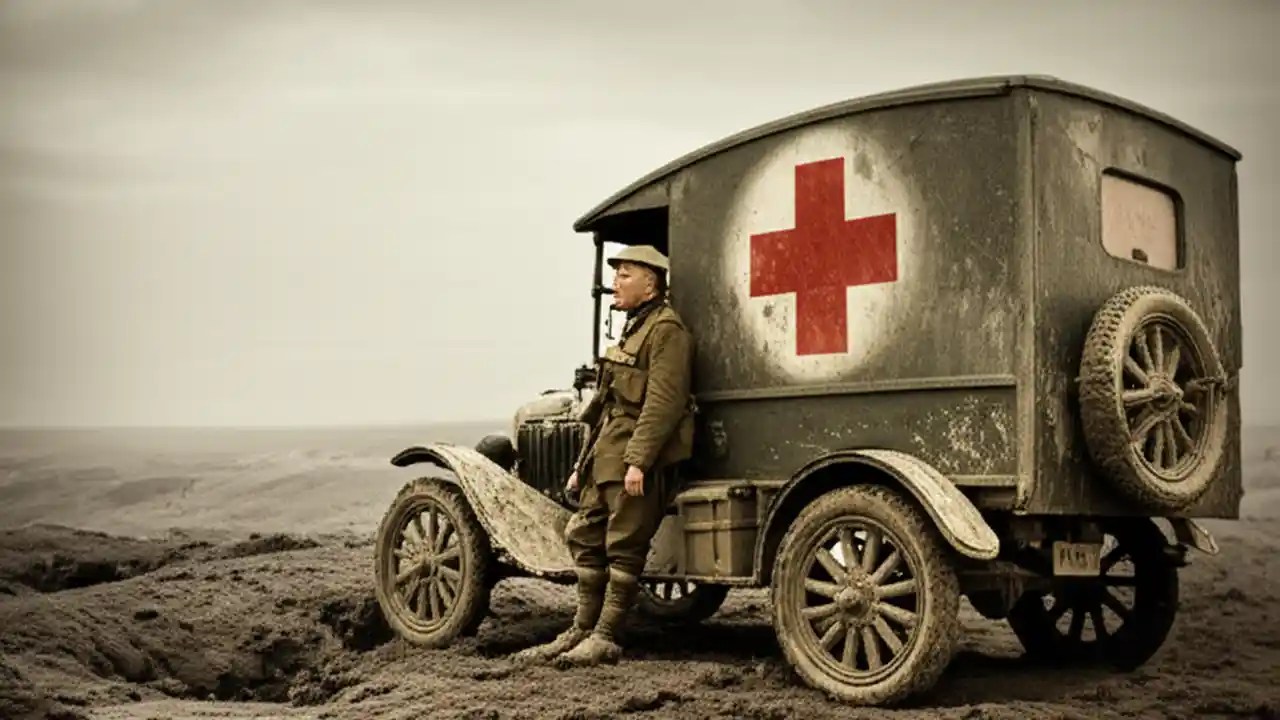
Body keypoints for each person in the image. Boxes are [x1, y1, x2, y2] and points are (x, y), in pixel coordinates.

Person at [513, 244, 695, 668]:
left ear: (651, 283)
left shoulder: (667, 331)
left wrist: (639, 462)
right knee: (584, 534)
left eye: (626, 274)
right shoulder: (633, 329)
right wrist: (580, 467)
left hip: (635, 458)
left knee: (624, 545)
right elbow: (606, 406)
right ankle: (582, 628)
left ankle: (608, 636)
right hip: (607, 456)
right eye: (616, 274)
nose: (615, 282)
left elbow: (663, 404)